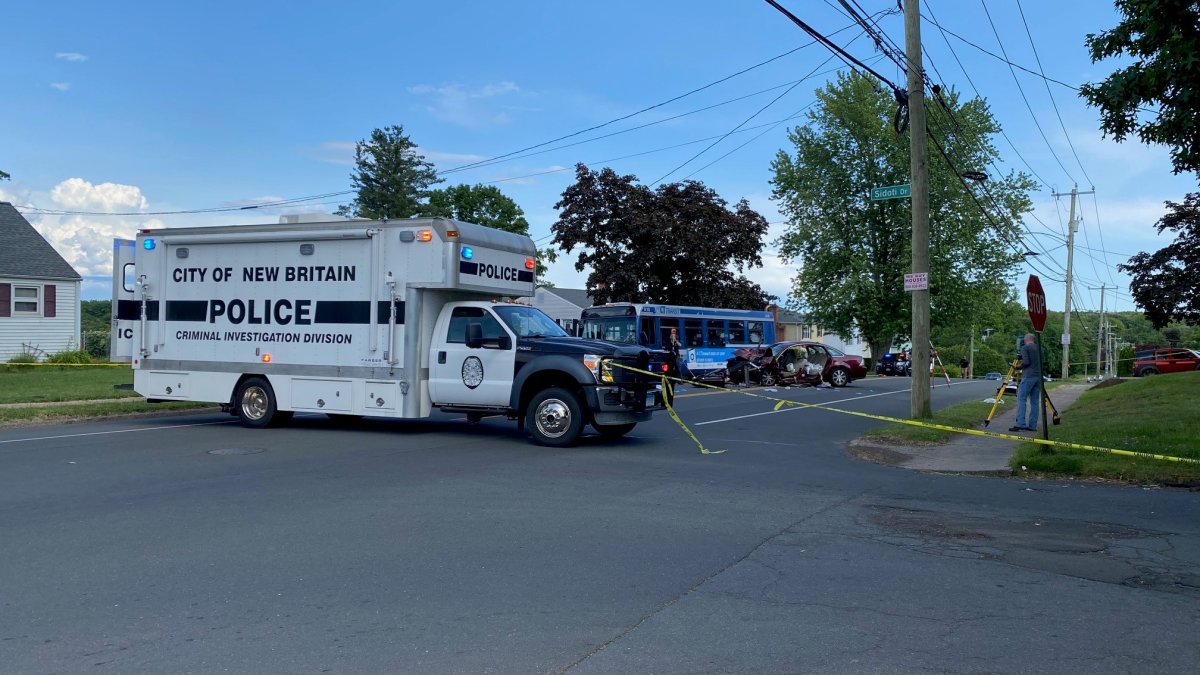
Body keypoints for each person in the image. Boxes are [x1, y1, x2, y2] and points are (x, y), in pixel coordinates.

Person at [1011, 332, 1042, 432]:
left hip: (1029, 376)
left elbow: (1026, 362)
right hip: (1038, 377)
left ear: (1025, 340)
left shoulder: (1025, 348)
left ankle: (1020, 423)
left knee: (1021, 398)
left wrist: (1017, 367)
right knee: (1035, 402)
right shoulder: (1040, 348)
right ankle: (1032, 426)